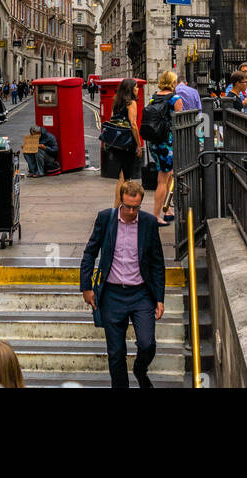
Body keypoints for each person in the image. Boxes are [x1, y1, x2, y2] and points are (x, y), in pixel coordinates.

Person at [80, 179, 165, 390]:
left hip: (141, 294)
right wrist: (87, 286)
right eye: (127, 206)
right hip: (112, 294)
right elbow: (90, 252)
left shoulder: (148, 222)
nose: (131, 211)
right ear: (121, 201)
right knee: (116, 353)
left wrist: (160, 298)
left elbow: (157, 263)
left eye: (136, 207)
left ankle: (139, 369)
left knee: (147, 344)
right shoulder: (106, 218)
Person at [142, 70, 184, 224]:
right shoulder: (175, 99)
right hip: (167, 144)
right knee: (163, 179)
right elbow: (181, 121)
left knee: (168, 176)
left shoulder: (154, 97)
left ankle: (167, 210)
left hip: (154, 142)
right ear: (173, 83)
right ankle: (155, 215)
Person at [105, 78, 142, 211]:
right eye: (136, 87)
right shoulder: (131, 103)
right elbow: (133, 124)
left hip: (117, 143)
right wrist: (138, 144)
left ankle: (117, 206)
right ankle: (122, 206)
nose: (138, 89)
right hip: (127, 143)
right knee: (126, 177)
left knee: (121, 177)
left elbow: (111, 119)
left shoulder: (116, 102)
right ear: (130, 89)